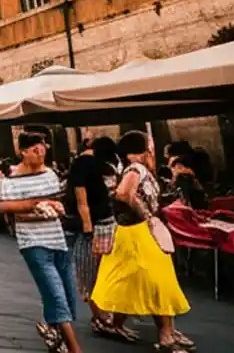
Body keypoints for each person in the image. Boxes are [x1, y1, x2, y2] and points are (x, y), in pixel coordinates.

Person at [91, 131, 193, 353]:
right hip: (138, 233)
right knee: (159, 280)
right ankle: (166, 335)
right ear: (139, 151)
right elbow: (123, 193)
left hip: (135, 233)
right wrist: (145, 213)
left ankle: (121, 324)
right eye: (147, 147)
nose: (151, 151)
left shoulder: (138, 170)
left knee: (137, 281)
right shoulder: (136, 169)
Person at [0, 132, 81, 353]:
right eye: (35, 150)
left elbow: (56, 200)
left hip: (58, 240)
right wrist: (34, 205)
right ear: (22, 152)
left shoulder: (50, 174)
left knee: (70, 297)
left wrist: (57, 207)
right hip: (33, 243)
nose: (40, 154)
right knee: (55, 293)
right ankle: (74, 348)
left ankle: (52, 331)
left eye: (43, 150)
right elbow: (3, 207)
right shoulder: (10, 180)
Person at [64, 137, 133, 342]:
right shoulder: (85, 164)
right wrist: (87, 229)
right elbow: (81, 199)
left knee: (98, 272)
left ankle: (105, 317)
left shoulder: (88, 163)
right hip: (99, 224)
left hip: (102, 223)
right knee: (93, 272)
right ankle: (102, 318)